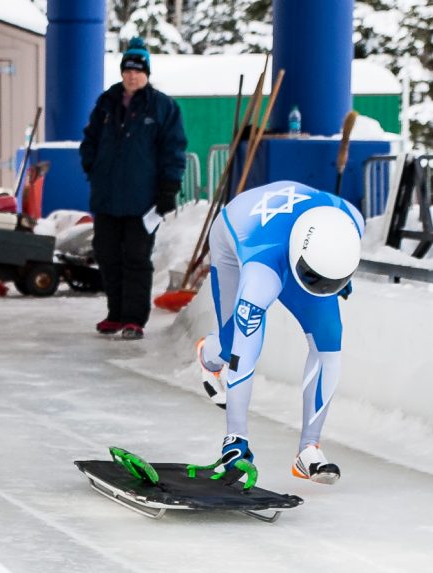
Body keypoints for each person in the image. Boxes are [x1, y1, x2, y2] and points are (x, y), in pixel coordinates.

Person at [196, 180, 362, 484]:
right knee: (233, 343)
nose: (322, 288)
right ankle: (209, 356)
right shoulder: (261, 272)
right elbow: (244, 355)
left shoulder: (351, 221)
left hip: (295, 247)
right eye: (316, 279)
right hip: (242, 243)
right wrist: (235, 438)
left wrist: (337, 276)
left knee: (329, 340)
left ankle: (309, 448)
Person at [80, 37, 187, 340]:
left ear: (147, 73)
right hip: (107, 197)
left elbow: (174, 149)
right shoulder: (107, 102)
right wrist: (94, 167)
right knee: (108, 255)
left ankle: (134, 318)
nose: (132, 75)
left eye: (138, 70)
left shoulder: (163, 107)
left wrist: (169, 187)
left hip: (143, 200)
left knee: (137, 259)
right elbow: (90, 140)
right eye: (128, 69)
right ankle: (115, 314)